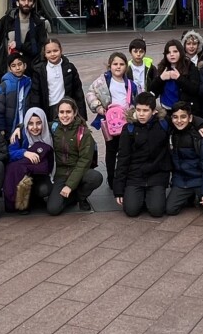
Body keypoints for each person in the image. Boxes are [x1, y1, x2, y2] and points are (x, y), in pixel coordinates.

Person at [115, 94, 172, 218]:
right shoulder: (129, 128)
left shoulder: (163, 124)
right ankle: (139, 196)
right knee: (131, 210)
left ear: (154, 111)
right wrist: (118, 190)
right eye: (138, 110)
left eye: (145, 111)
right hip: (135, 175)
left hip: (157, 174)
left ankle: (150, 196)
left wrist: (201, 125)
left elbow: (183, 120)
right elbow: (123, 158)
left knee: (157, 211)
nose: (141, 114)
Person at [0, 0, 51, 87]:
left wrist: (20, 45)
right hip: (7, 75)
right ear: (17, 2)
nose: (26, 3)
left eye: (29, 0)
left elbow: (42, 50)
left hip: (31, 76)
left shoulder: (39, 23)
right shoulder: (6, 21)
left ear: (33, 4)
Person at [87, 52, 139, 188]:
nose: (118, 67)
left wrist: (133, 114)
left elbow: (136, 99)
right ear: (109, 66)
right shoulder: (102, 81)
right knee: (111, 150)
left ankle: (125, 176)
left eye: (121, 64)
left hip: (125, 122)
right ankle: (111, 179)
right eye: (115, 64)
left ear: (126, 67)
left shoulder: (130, 84)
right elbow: (90, 93)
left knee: (126, 150)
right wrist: (98, 107)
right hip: (109, 123)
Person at [46, 100, 102, 214]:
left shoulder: (83, 133)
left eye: (68, 112)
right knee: (53, 209)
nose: (65, 115)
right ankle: (71, 198)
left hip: (78, 171)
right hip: (60, 174)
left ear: (75, 112)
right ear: (58, 113)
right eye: (62, 112)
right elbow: (36, 122)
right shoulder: (54, 127)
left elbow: (84, 161)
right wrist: (19, 127)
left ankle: (80, 196)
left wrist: (69, 186)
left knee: (95, 177)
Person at [163, 103, 203, 216]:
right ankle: (188, 197)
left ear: (190, 118)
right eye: (175, 117)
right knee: (170, 209)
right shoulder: (171, 132)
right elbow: (158, 115)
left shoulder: (200, 135)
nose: (179, 121)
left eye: (183, 117)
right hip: (182, 182)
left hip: (200, 180)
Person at [4, 108, 54, 212]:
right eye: (30, 123)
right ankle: (20, 201)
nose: (35, 127)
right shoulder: (20, 135)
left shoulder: (51, 133)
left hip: (42, 175)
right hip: (23, 176)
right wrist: (24, 153)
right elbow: (8, 154)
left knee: (44, 189)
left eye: (39, 123)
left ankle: (34, 198)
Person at [0, 51, 39, 141]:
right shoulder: (5, 85)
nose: (17, 68)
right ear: (10, 69)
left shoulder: (30, 83)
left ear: (25, 66)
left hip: (27, 126)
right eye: (13, 66)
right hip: (9, 128)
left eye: (20, 64)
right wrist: (0, 129)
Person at [148, 39, 198, 116]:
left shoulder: (190, 67)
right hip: (165, 110)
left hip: (183, 111)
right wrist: (161, 78)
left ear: (181, 52)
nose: (171, 54)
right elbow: (152, 92)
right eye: (168, 52)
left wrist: (179, 78)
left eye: (175, 51)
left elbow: (194, 90)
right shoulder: (163, 67)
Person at [37, 39, 85, 117]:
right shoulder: (39, 70)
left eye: (55, 51)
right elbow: (36, 94)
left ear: (61, 50)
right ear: (44, 54)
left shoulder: (70, 68)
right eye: (48, 52)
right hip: (49, 110)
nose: (52, 54)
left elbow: (78, 92)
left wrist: (81, 115)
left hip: (66, 109)